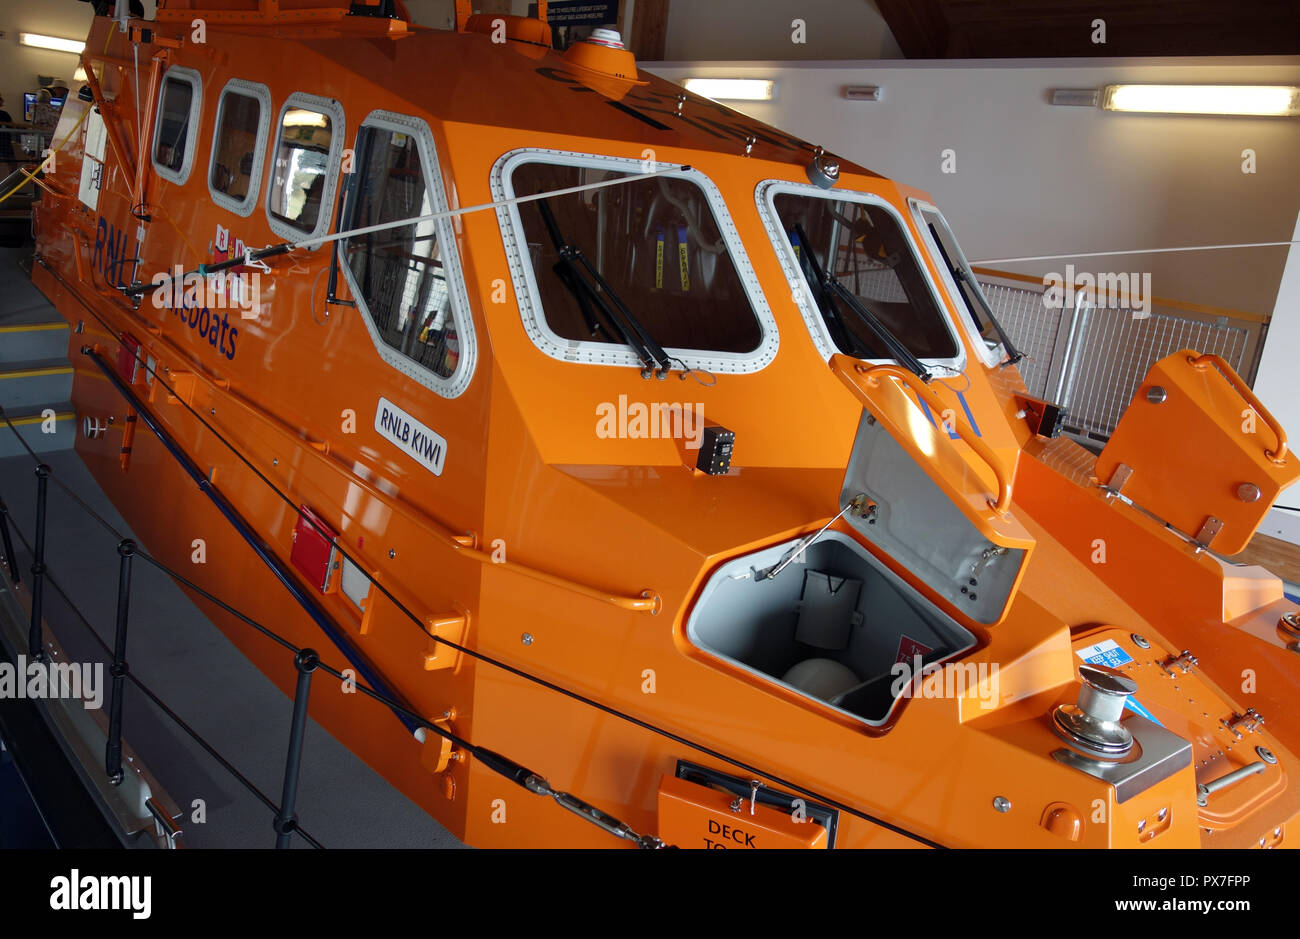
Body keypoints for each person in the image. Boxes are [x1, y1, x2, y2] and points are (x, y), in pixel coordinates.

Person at [0, 94, 16, 172]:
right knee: (12, 164)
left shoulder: (4, 114)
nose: (2, 100)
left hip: (5, 143)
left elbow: (12, 126)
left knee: (12, 164)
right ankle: (12, 183)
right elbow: (13, 126)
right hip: (5, 143)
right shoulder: (4, 114)